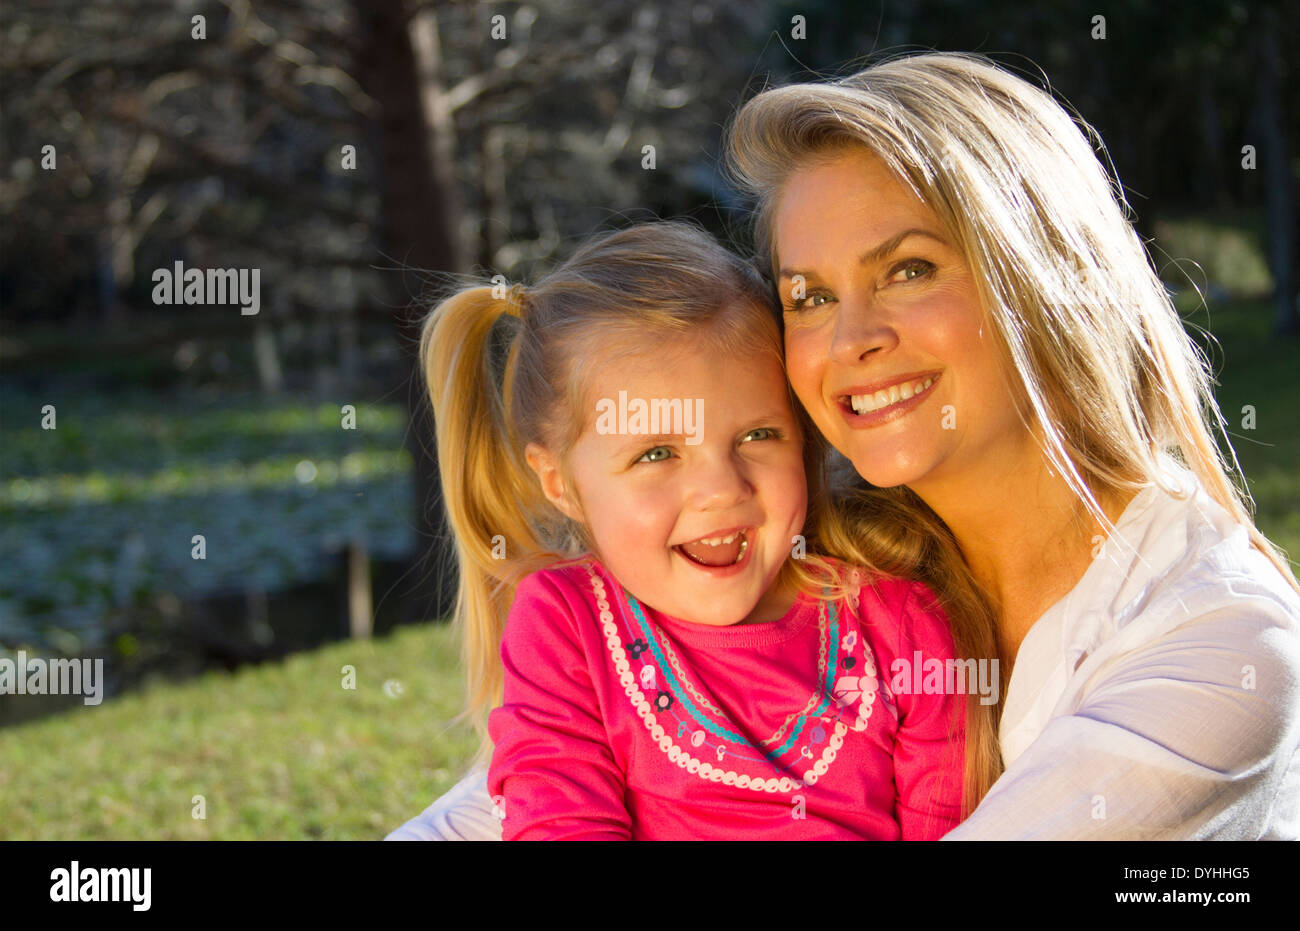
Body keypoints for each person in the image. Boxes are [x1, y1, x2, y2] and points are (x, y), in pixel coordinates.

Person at [389, 51, 1300, 841]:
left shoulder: (1220, 642)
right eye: (811, 296)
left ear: (1045, 280)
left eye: (908, 269)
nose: (851, 339)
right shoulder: (805, 560)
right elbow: (512, 805)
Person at [406, 220, 985, 840]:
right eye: (656, 453)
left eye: (758, 435)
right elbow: (560, 821)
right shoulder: (567, 626)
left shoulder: (901, 624)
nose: (722, 489)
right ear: (559, 482)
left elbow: (956, 825)